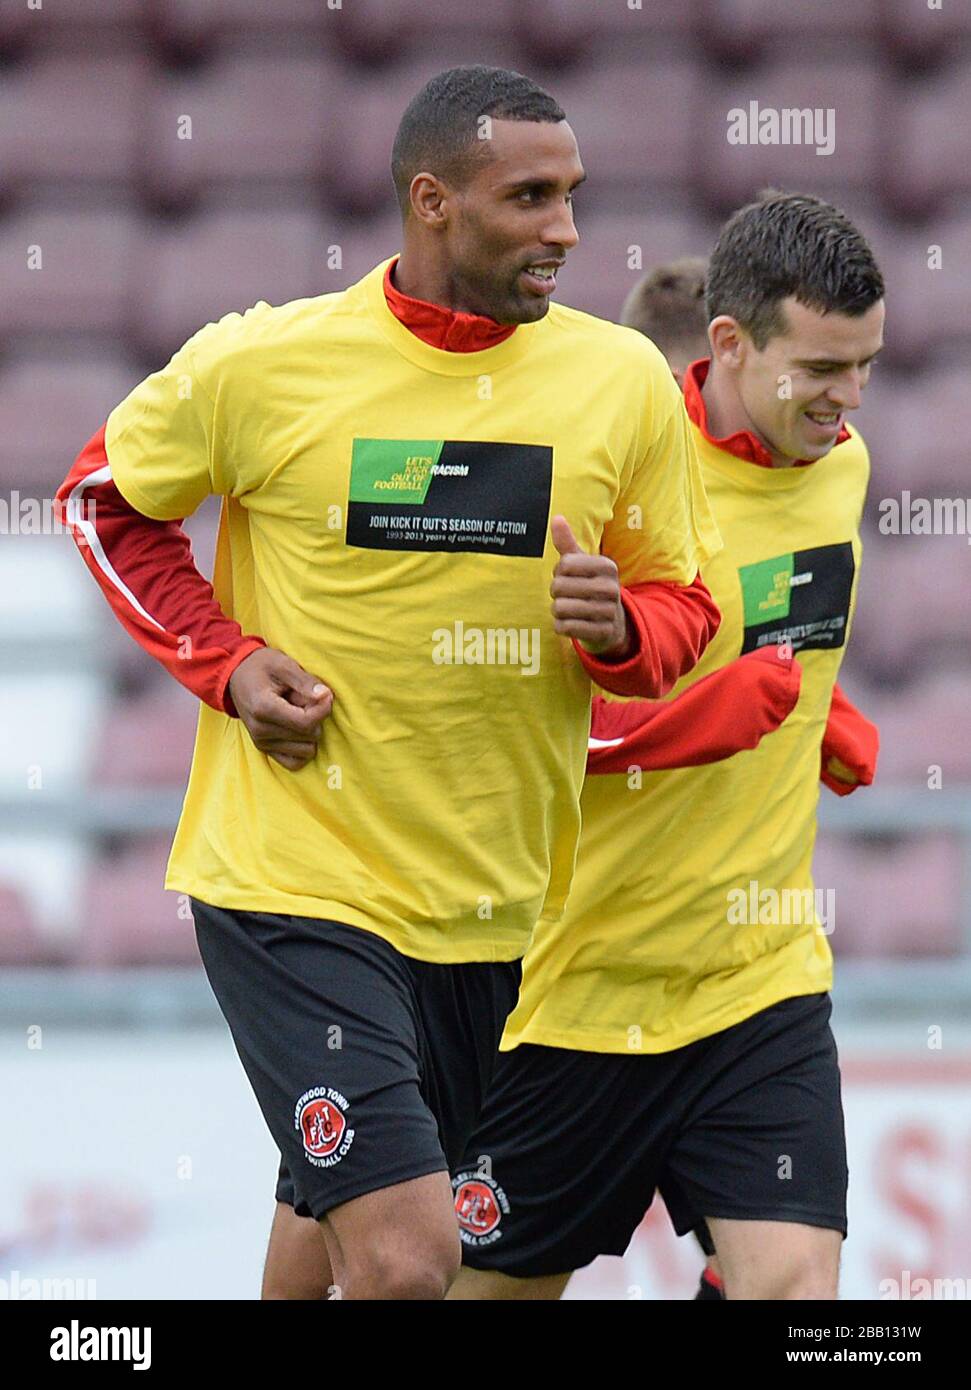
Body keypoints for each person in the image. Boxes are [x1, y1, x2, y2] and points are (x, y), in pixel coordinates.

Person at [55, 66, 721, 1300]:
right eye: (528, 198)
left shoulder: (621, 380)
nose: (565, 231)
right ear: (431, 203)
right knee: (414, 1259)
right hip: (295, 881)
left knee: (321, 1246)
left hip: (491, 901)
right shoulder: (263, 363)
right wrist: (228, 660)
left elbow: (687, 600)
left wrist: (620, 631)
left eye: (571, 197)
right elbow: (104, 502)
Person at [442, 190, 884, 1302]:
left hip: (756, 982)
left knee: (794, 1293)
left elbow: (774, 623)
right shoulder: (607, 477)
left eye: (865, 364)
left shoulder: (841, 468)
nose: (848, 397)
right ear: (728, 344)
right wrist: (704, 717)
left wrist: (816, 714)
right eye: (821, 367)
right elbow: (514, 732)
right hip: (574, 993)